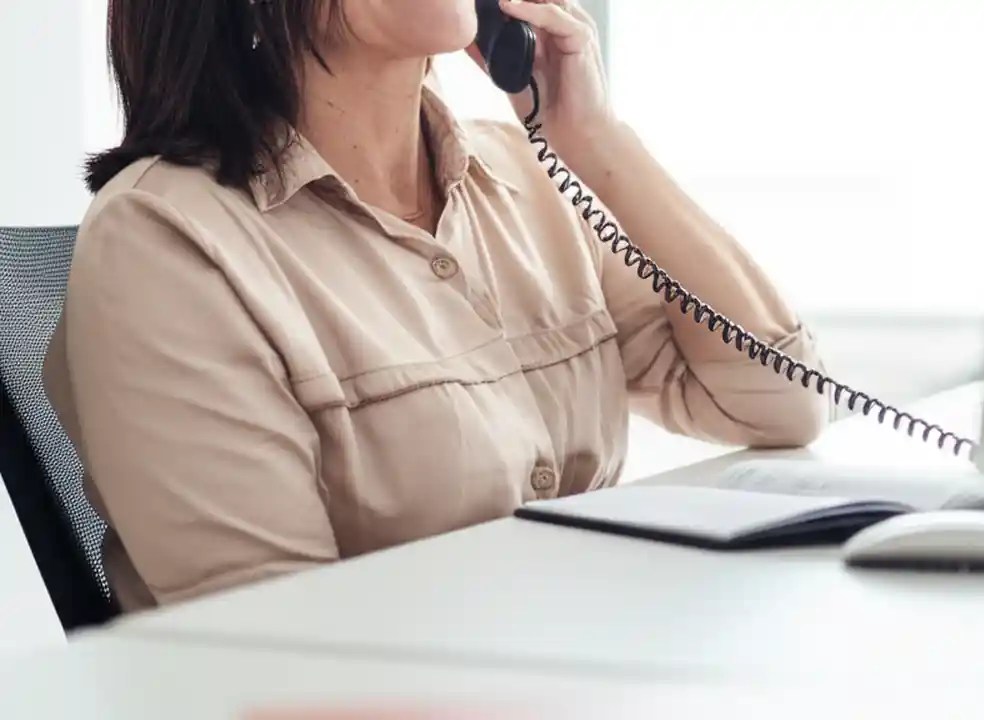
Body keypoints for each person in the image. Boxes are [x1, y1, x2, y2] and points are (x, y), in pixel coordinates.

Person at [44, 0, 828, 612]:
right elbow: (275, 638)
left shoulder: (524, 172)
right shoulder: (165, 241)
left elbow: (778, 404)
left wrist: (597, 140)